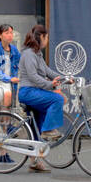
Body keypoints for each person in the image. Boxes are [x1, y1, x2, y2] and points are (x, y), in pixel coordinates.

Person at [16, 25, 66, 172]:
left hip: (34, 91)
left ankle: (34, 161)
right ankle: (49, 130)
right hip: (28, 92)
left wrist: (63, 79)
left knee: (36, 127)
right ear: (41, 37)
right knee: (57, 99)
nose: (47, 40)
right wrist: (51, 85)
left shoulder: (37, 54)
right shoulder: (29, 54)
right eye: (46, 37)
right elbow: (33, 76)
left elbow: (47, 71)